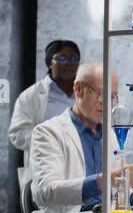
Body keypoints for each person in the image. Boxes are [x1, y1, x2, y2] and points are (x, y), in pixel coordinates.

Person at [29, 62, 133, 213]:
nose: (107, 104)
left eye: (112, 97)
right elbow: (44, 192)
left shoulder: (110, 133)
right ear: (78, 89)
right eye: (102, 94)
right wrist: (101, 182)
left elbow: (116, 195)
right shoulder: (48, 133)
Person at [9, 40, 81, 189]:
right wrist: (51, 139)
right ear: (49, 63)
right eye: (62, 58)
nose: (69, 63)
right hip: (46, 169)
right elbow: (17, 134)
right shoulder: (31, 96)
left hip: (82, 168)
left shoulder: (85, 93)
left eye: (74, 59)